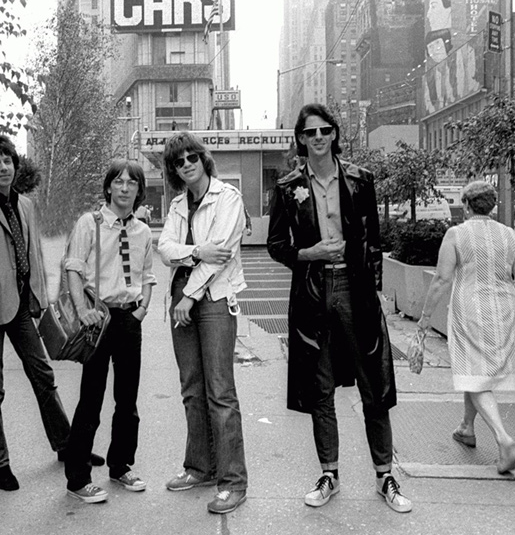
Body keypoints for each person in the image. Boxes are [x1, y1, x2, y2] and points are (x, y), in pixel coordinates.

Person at [267, 103, 411, 514]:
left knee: (374, 384)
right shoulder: (287, 186)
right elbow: (278, 245)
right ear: (300, 138)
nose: (317, 138)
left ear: (334, 134)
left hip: (355, 288)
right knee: (320, 386)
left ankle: (385, 475)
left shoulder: (360, 180)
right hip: (313, 290)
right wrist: (309, 252)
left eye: (324, 131)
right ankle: (329, 473)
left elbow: (375, 242)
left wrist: (377, 292)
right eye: (309, 132)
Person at [0, 134, 73, 492]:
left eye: (8, 160)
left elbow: (33, 253)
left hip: (22, 305)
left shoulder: (25, 205)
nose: (4, 167)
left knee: (43, 375)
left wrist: (39, 296)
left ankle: (67, 446)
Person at [418, 181, 515, 474]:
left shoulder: (456, 234)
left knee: (475, 373)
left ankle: (504, 440)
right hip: (504, 309)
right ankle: (466, 427)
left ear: (465, 205)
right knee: (476, 371)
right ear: (492, 206)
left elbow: (442, 279)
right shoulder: (511, 236)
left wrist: (425, 318)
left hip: (470, 309)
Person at [157, 131, 249, 515]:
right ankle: (200, 467)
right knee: (192, 389)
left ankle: (233, 481)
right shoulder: (178, 204)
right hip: (183, 297)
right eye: (179, 162)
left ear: (203, 158)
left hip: (211, 301)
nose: (187, 165)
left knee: (220, 393)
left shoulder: (227, 197)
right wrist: (196, 249)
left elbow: (221, 255)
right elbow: (165, 250)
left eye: (192, 157)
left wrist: (189, 296)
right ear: (174, 170)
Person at [62, 159, 156, 504]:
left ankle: (120, 465)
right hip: (98, 321)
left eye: (132, 182)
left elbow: (147, 276)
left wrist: (142, 310)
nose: (125, 187)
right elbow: (73, 267)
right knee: (91, 400)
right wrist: (83, 310)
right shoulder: (91, 223)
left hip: (130, 319)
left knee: (127, 400)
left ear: (139, 189)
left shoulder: (143, 231)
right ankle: (77, 479)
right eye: (118, 181)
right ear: (108, 187)